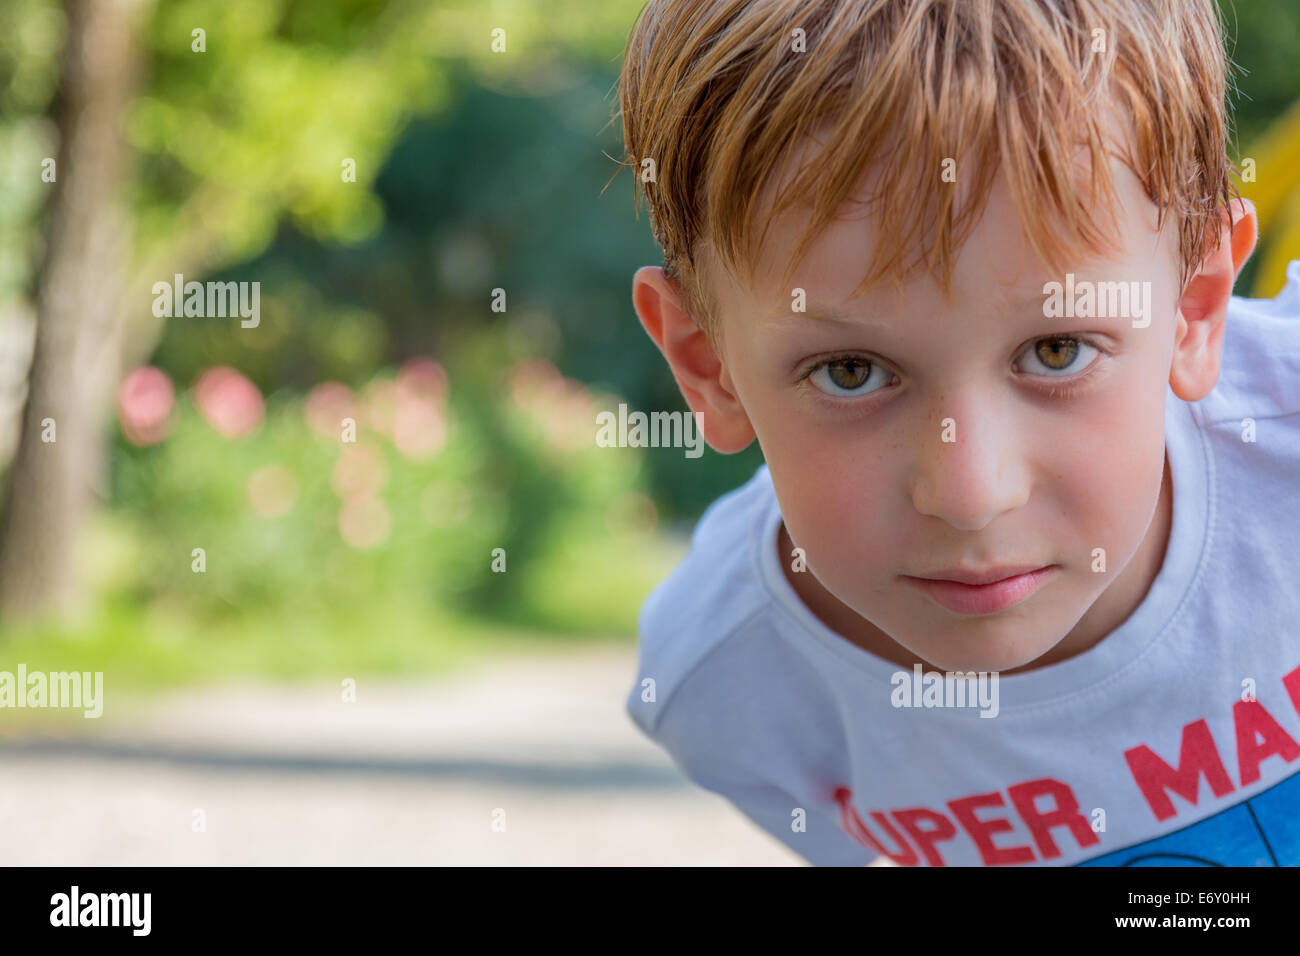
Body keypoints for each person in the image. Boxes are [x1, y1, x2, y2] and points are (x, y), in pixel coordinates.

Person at [618, 0, 1300, 865]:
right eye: (851, 371)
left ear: (1195, 309)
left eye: (1056, 351)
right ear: (707, 366)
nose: (971, 494)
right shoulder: (728, 684)